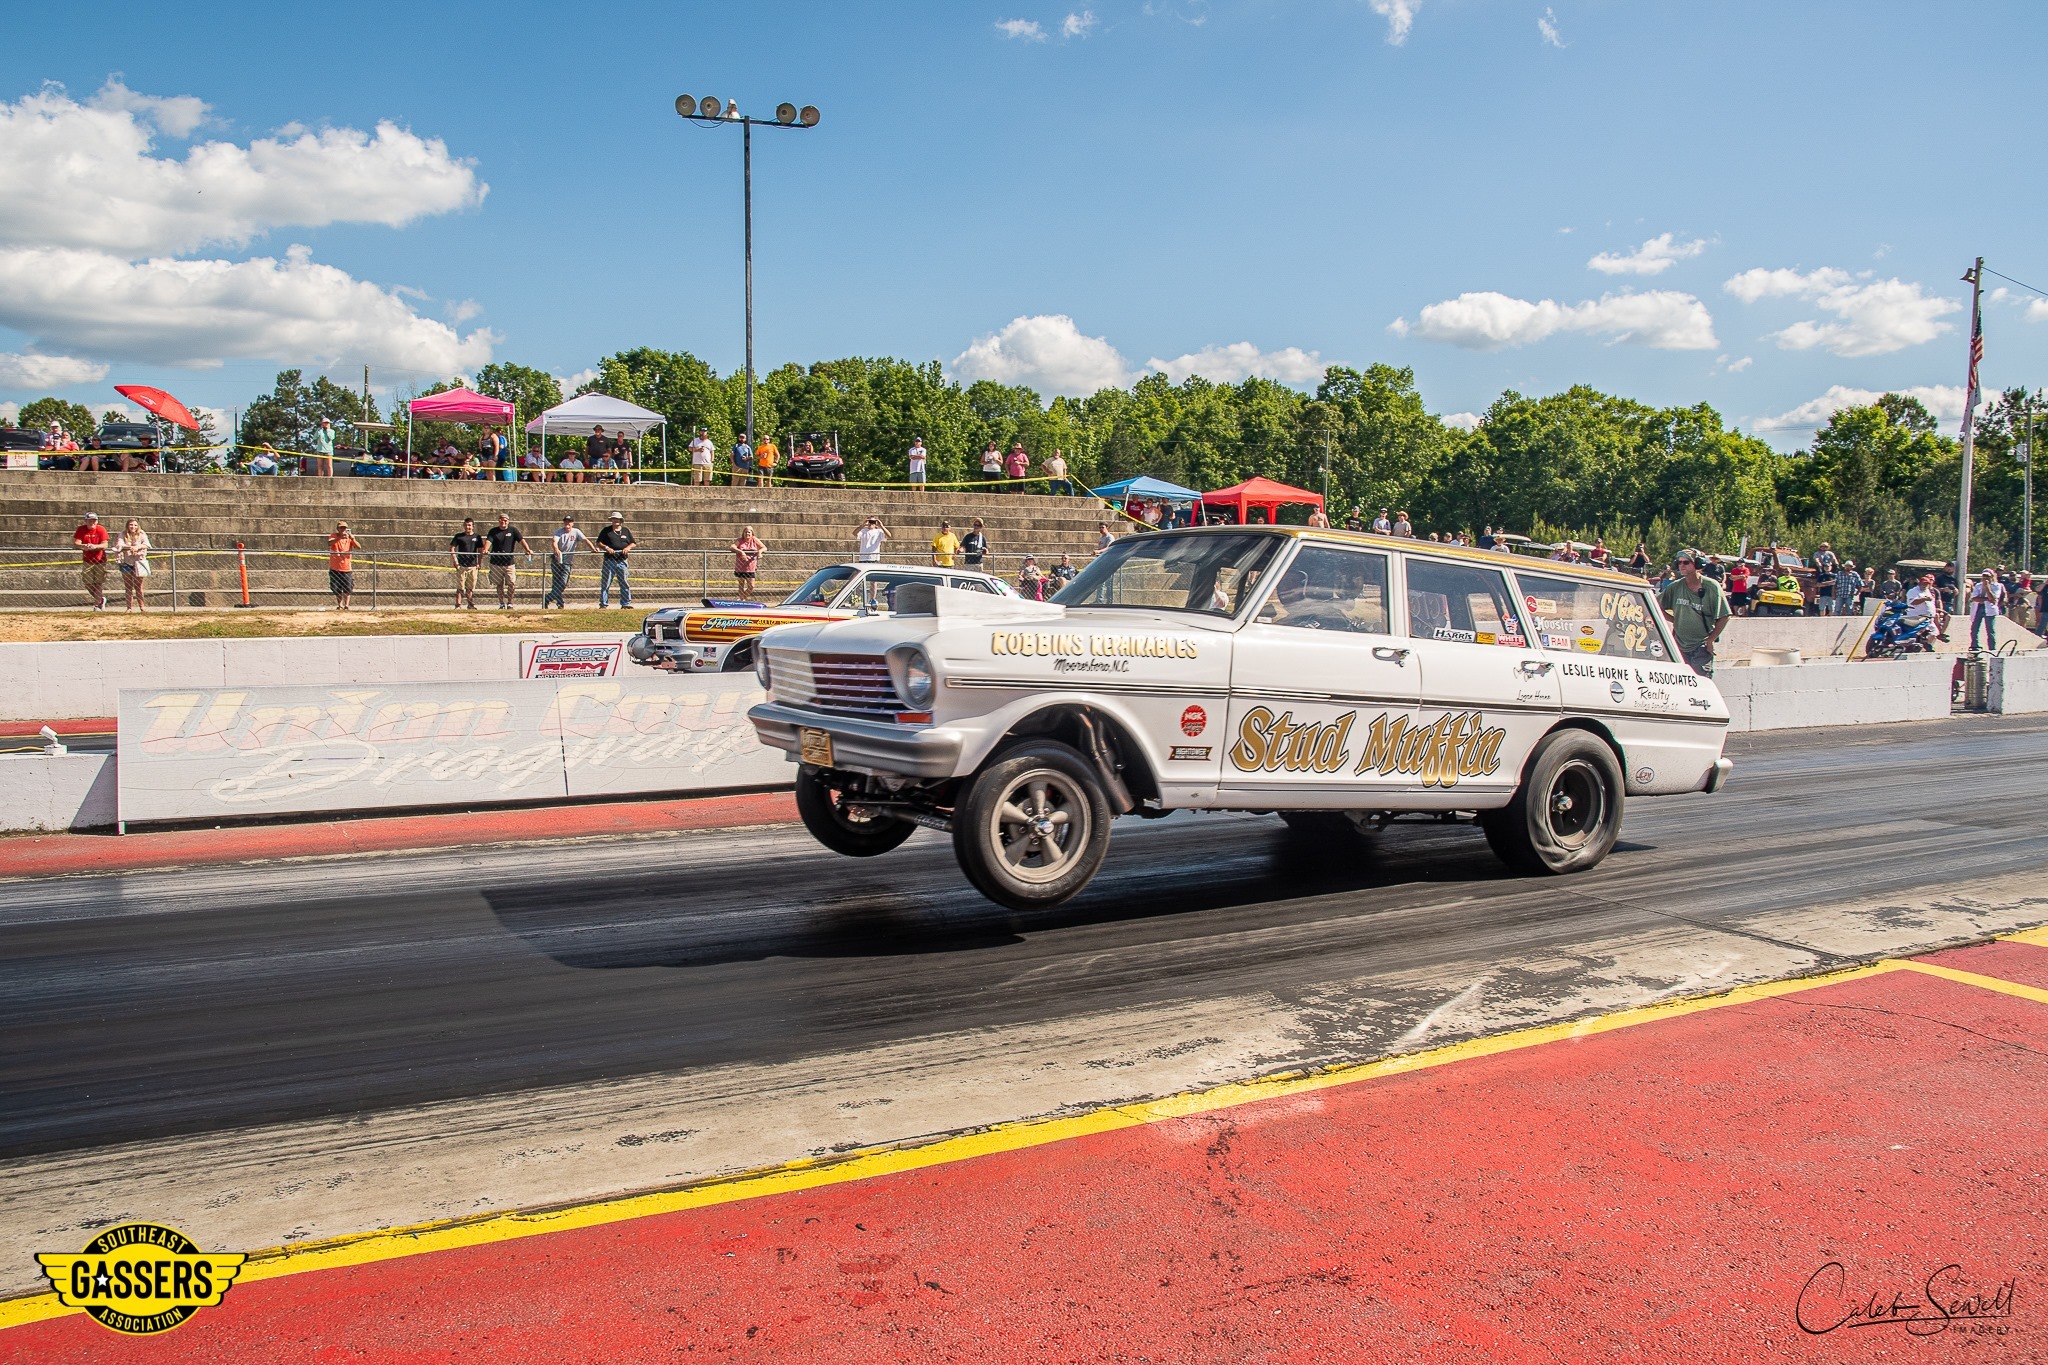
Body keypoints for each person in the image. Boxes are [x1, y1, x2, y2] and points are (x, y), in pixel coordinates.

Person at [1658, 549, 1730, 676]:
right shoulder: (1675, 587)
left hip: (1701, 647)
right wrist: (1675, 620)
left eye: (1686, 562)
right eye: (1679, 563)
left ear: (1697, 565)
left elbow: (1724, 616)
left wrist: (1710, 640)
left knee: (1700, 682)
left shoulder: (1711, 587)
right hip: (1678, 646)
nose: (1681, 566)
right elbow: (1656, 607)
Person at [484, 512, 531, 609]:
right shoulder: (493, 531)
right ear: (499, 521)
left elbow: (521, 540)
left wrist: (527, 549)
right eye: (501, 520)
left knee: (511, 583)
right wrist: (486, 549)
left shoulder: (513, 530)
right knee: (499, 584)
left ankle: (510, 602)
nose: (503, 522)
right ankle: (501, 603)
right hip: (496, 563)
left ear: (508, 521)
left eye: (505, 520)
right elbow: (489, 541)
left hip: (509, 562)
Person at [542, 516, 590, 609]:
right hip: (557, 561)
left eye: (569, 522)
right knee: (556, 584)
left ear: (572, 523)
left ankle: (547, 598)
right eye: (566, 522)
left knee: (563, 583)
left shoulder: (576, 532)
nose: (567, 523)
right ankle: (560, 603)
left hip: (568, 562)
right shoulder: (558, 531)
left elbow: (585, 540)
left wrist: (593, 548)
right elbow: (554, 541)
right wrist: (556, 549)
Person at [596, 512, 635, 608]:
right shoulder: (606, 531)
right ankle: (603, 604)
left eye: (617, 519)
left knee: (624, 583)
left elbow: (633, 543)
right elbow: (598, 542)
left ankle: (626, 604)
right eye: (614, 519)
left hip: (622, 560)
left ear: (621, 520)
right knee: (606, 583)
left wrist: (628, 548)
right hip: (610, 560)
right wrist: (606, 548)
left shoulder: (625, 531)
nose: (615, 521)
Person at [72, 511, 110, 610]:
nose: (92, 522)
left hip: (100, 560)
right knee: (87, 583)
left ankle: (97, 605)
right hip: (87, 560)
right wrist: (84, 546)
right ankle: (100, 600)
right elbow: (76, 543)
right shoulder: (81, 529)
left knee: (98, 583)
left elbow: (105, 544)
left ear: (97, 521)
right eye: (89, 521)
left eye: (94, 520)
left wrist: (94, 547)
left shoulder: (101, 529)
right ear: (85, 521)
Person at [114, 518, 152, 611]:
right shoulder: (122, 534)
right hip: (126, 562)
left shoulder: (142, 534)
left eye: (135, 525)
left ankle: (142, 607)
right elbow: (119, 544)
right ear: (127, 525)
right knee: (128, 586)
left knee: (138, 587)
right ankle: (129, 607)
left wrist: (138, 547)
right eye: (131, 525)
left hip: (138, 562)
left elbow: (147, 544)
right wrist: (130, 548)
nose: (133, 527)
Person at [1967, 569, 2007, 652]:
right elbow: (1974, 598)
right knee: (1974, 628)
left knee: (1990, 629)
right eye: (1984, 576)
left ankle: (1992, 648)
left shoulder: (1996, 586)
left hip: (1989, 609)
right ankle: (1975, 645)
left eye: (1988, 576)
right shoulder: (1978, 585)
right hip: (1978, 608)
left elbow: (1993, 599)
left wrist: (1987, 588)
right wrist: (1986, 599)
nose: (1985, 578)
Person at [449, 518, 484, 609]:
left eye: (469, 525)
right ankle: (458, 605)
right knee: (460, 586)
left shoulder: (477, 537)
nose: (467, 527)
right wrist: (455, 561)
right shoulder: (458, 536)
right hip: (462, 565)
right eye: (466, 525)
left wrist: (479, 563)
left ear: (473, 526)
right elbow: (452, 548)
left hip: (472, 566)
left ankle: (470, 604)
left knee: (470, 587)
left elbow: (480, 550)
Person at [1905, 573, 1948, 641]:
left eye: (1927, 584)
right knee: (1916, 634)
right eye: (1923, 584)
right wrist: (1924, 599)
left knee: (1935, 632)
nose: (1925, 585)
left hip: (1928, 618)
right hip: (1916, 618)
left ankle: (1927, 645)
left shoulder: (1928, 591)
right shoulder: (1913, 591)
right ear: (1919, 584)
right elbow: (1913, 602)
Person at [326, 520, 357, 611]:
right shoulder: (333, 536)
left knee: (347, 587)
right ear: (338, 529)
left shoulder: (349, 538)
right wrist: (339, 538)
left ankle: (347, 605)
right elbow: (329, 543)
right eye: (341, 528)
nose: (343, 530)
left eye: (344, 528)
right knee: (336, 587)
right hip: (335, 567)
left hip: (346, 567)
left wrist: (353, 539)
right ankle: (340, 605)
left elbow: (358, 547)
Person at [732, 525, 764, 597]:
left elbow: (764, 547)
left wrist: (760, 552)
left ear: (752, 533)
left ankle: (742, 598)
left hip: (750, 567)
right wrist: (741, 552)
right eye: (746, 532)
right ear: (743, 533)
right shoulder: (740, 540)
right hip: (741, 566)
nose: (747, 534)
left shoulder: (754, 539)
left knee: (751, 586)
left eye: (749, 532)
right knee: (741, 585)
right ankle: (742, 600)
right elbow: (732, 547)